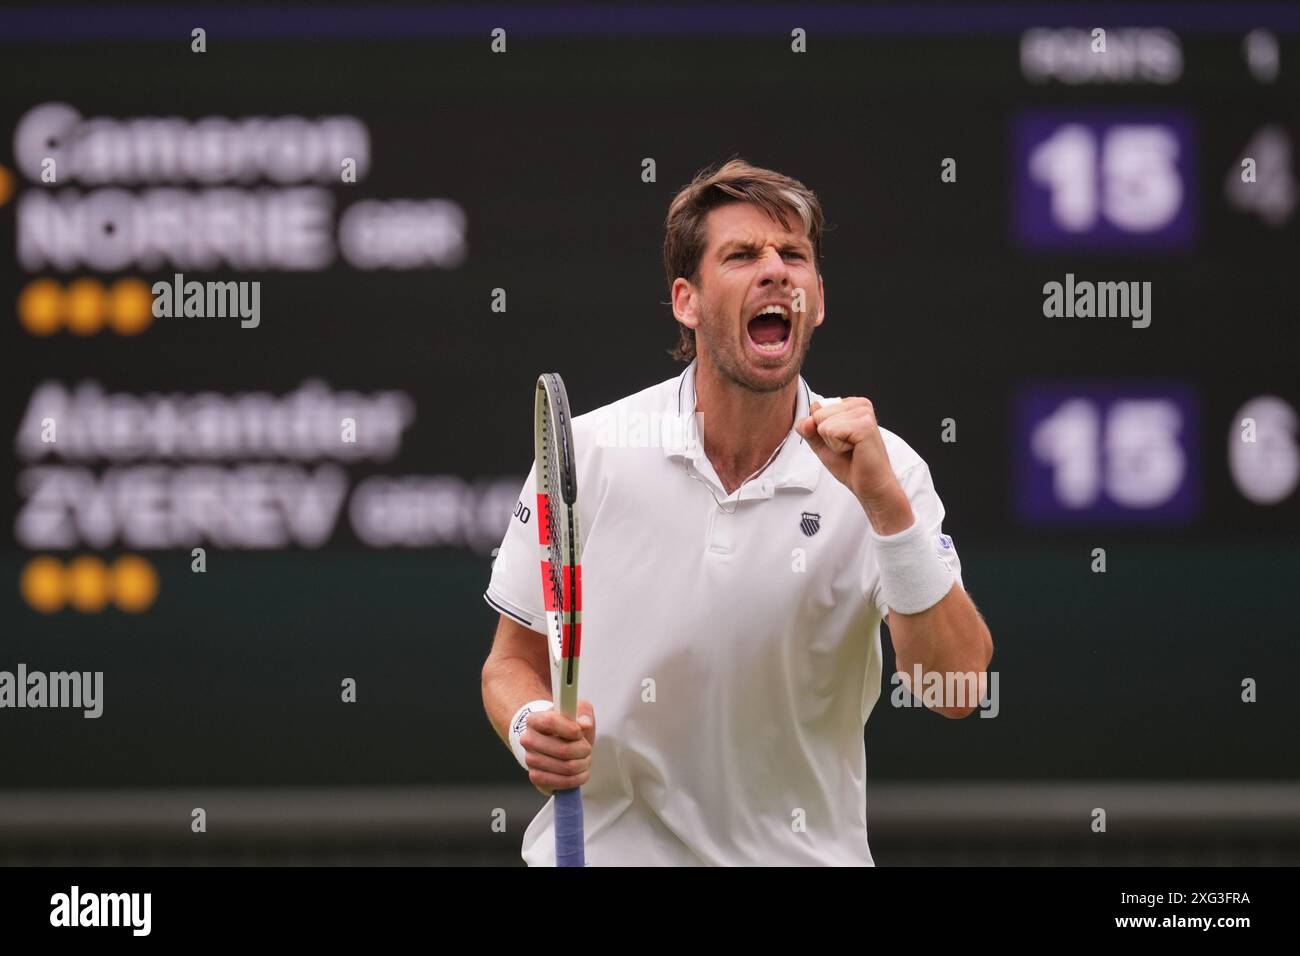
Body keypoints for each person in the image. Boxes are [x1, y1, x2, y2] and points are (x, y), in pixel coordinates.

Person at [481, 159, 993, 865]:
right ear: (686, 301)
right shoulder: (591, 450)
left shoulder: (890, 472)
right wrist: (531, 723)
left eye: (794, 256)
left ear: (817, 296)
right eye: (743, 255)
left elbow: (959, 687)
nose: (776, 271)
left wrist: (886, 511)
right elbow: (511, 664)